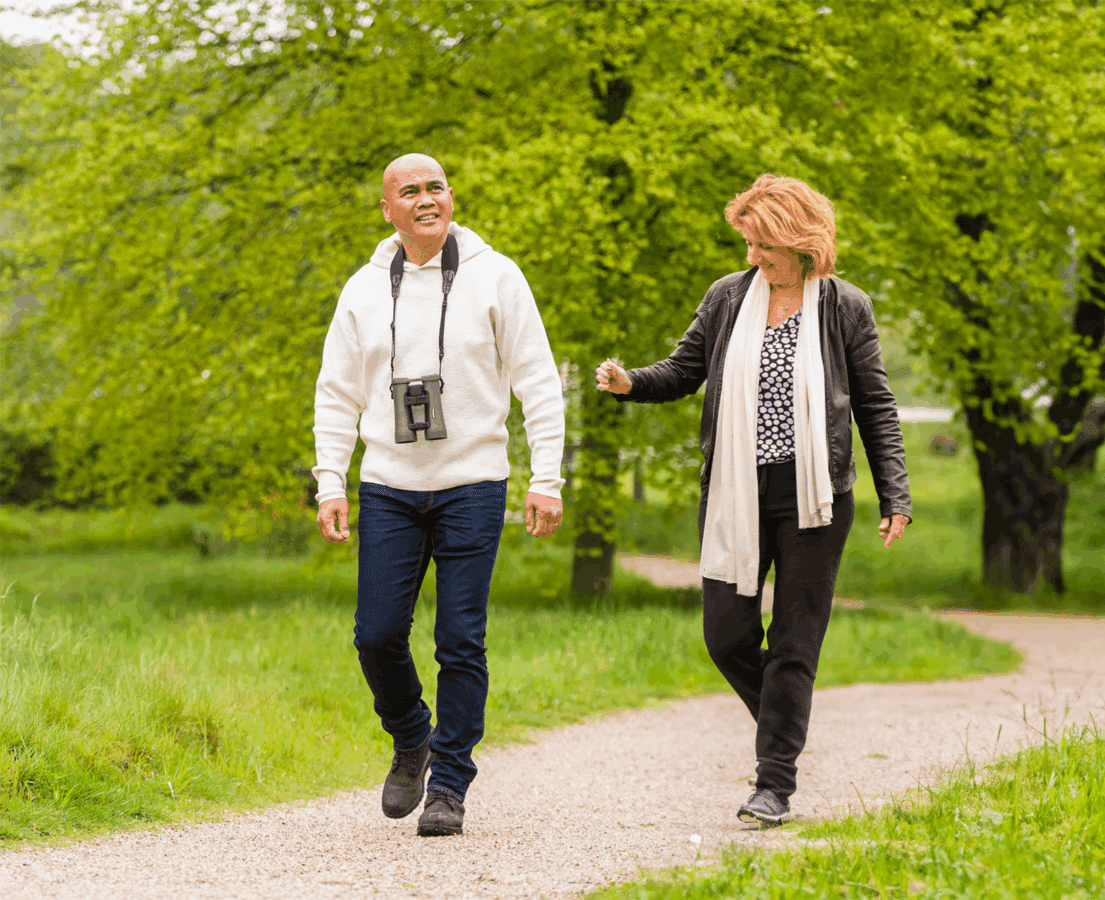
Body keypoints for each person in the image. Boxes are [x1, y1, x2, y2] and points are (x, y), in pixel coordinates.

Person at [595, 174, 912, 826]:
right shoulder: (727, 297)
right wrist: (631, 383)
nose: (751, 256)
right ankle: (784, 719)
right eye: (747, 243)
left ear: (798, 239)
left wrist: (895, 493)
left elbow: (876, 405)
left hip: (815, 499)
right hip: (736, 490)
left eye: (761, 243)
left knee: (795, 642)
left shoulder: (845, 307)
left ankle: (775, 783)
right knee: (726, 634)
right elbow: (685, 370)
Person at [312, 154, 566, 837]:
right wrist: (329, 480)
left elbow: (538, 379)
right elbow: (336, 393)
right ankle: (411, 736)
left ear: (451, 197)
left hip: (473, 485)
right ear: (388, 209)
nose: (427, 199)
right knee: (377, 635)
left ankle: (450, 781)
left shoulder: (496, 275)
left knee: (461, 639)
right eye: (410, 191)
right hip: (389, 487)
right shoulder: (362, 290)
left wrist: (547, 477)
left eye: (436, 187)